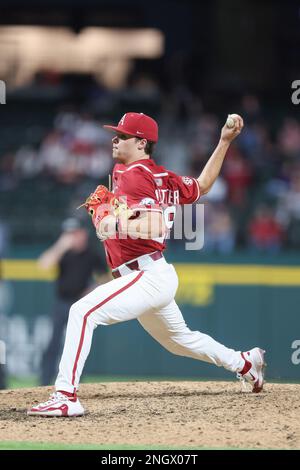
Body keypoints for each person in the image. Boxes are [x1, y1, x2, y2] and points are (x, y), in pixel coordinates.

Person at [28, 112, 266, 417]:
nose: (115, 139)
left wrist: (111, 225)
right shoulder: (160, 176)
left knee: (81, 312)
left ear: (142, 143)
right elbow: (203, 185)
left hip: (145, 273)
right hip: (154, 273)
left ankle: (65, 396)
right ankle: (245, 363)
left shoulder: (135, 174)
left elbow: (154, 227)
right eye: (116, 134)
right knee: (179, 340)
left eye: (123, 136)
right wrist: (224, 141)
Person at [38, 218, 108, 386]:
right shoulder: (64, 253)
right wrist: (61, 246)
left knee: (77, 344)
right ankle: (44, 383)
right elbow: (43, 264)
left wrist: (92, 288)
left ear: (83, 234)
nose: (71, 237)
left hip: (81, 305)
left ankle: (76, 383)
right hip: (61, 303)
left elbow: (105, 278)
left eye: (74, 233)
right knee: (53, 344)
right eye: (68, 234)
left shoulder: (92, 253)